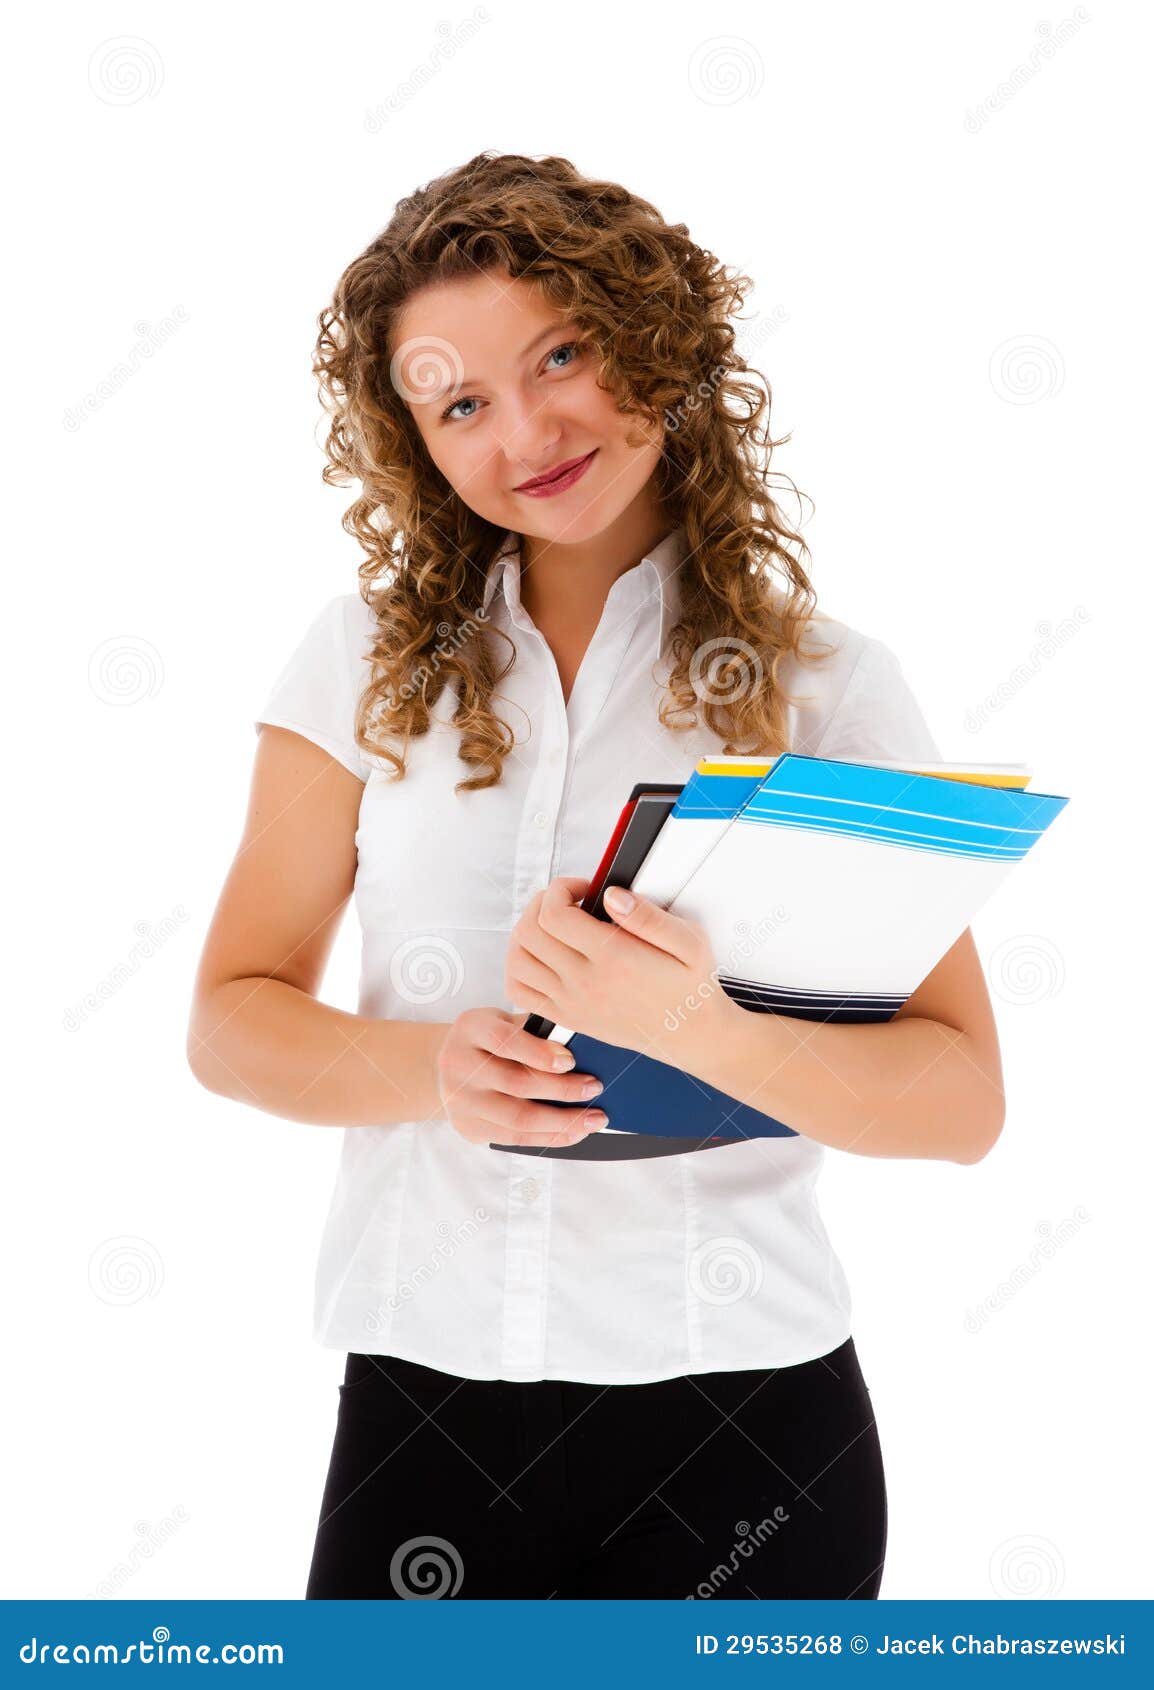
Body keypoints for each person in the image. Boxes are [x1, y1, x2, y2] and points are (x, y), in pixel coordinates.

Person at [187, 151, 1005, 1601]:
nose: (527, 429)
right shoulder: (360, 668)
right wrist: (429, 1068)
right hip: (422, 1415)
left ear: (651, 335)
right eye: (460, 403)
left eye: (558, 353)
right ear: (418, 447)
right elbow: (232, 1017)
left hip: (750, 1436)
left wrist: (704, 1030)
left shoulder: (824, 690)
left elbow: (959, 1100)